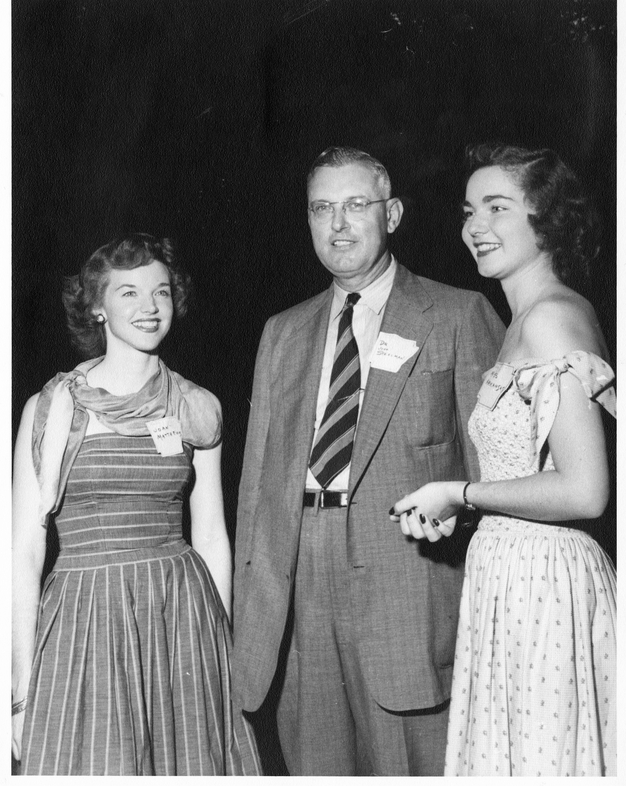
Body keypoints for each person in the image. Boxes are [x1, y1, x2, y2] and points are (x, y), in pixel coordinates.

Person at [232, 146, 505, 776]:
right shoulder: (283, 331)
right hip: (300, 592)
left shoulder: (459, 314)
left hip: (408, 585)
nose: (338, 224)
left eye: (357, 205)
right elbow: (255, 494)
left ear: (394, 213)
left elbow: (498, 475)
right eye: (321, 208)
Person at [391, 144, 616, 777]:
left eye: (498, 207)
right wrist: (464, 515)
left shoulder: (551, 320)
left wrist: (460, 494)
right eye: (469, 210)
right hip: (512, 577)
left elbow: (584, 490)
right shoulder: (527, 319)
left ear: (544, 219)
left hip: (544, 585)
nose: (475, 228)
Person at [12, 234, 261, 775]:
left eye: (161, 292)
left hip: (180, 615)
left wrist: (221, 648)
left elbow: (212, 534)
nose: (149, 307)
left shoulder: (197, 404)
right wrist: (17, 682)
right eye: (128, 293)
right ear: (96, 307)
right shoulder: (50, 406)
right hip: (85, 615)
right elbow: (23, 551)